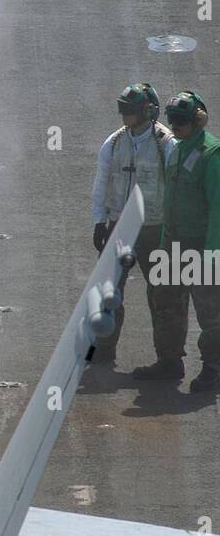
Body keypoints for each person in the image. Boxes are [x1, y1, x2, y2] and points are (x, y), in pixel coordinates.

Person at [134, 91, 220, 391]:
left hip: (203, 245)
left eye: (182, 121)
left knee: (210, 311)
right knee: (166, 300)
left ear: (198, 119)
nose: (177, 126)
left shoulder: (212, 156)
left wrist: (212, 254)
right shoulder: (177, 149)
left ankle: (213, 368)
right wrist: (163, 240)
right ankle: (169, 361)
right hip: (174, 243)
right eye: (173, 121)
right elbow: (170, 198)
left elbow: (218, 208)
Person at [90, 83, 175, 364]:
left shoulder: (166, 144)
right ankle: (104, 350)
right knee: (109, 292)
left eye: (130, 110)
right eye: (122, 109)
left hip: (155, 229)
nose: (124, 115)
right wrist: (99, 221)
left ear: (148, 111)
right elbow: (102, 182)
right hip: (119, 229)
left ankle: (168, 359)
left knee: (162, 296)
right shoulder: (114, 143)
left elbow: (175, 189)